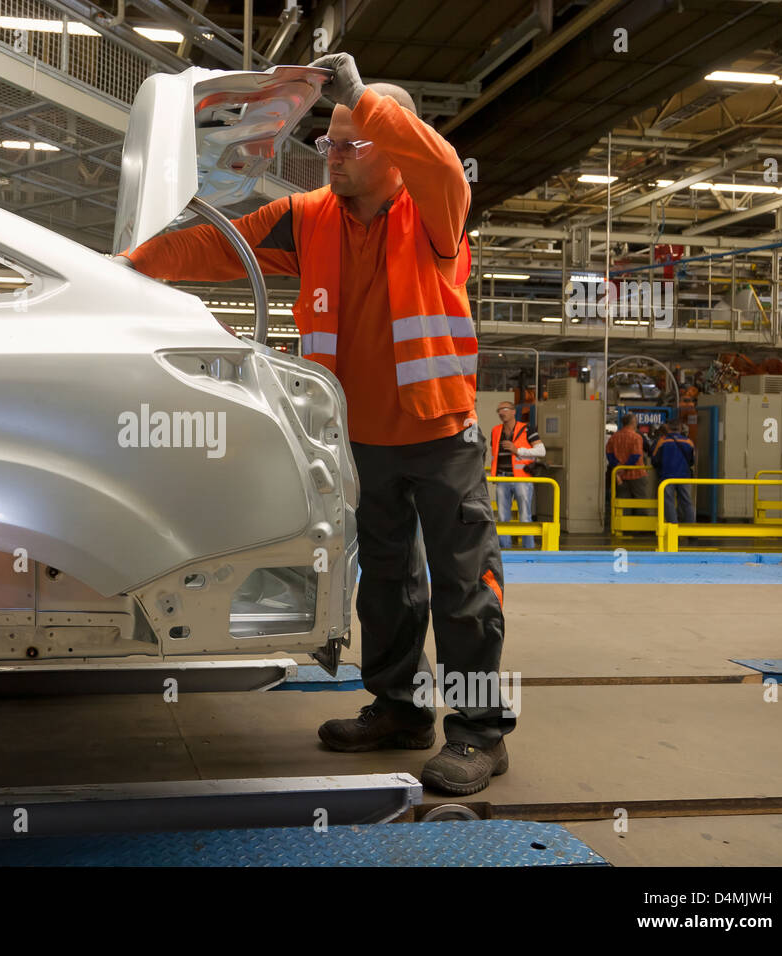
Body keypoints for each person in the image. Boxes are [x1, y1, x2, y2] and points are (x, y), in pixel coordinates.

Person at [118, 53, 513, 795]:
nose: (330, 156)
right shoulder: (309, 221)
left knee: (466, 589)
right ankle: (400, 709)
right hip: (361, 445)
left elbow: (443, 168)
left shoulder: (434, 213)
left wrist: (364, 97)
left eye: (348, 143)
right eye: (326, 143)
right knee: (385, 587)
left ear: (392, 148)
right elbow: (213, 245)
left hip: (440, 436)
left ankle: (481, 733)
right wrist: (128, 264)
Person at [490, 401, 545, 549]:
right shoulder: (495, 431)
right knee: (502, 517)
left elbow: (541, 451)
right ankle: (505, 549)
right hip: (502, 477)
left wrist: (518, 450)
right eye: (499, 410)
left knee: (525, 516)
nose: (502, 412)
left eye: (505, 409)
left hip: (522, 478)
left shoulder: (527, 429)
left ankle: (529, 549)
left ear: (514, 412)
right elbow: (494, 454)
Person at [650, 423, 696, 523]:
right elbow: (692, 460)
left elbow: (654, 460)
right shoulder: (688, 442)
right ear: (680, 429)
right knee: (686, 502)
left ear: (669, 429)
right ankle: (691, 529)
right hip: (684, 476)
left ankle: (673, 528)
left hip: (667, 477)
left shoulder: (662, 441)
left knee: (668, 501)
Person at [606, 413, 648, 508]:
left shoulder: (614, 437)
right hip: (637, 474)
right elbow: (636, 455)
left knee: (623, 504)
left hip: (619, 477)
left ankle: (624, 522)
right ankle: (640, 522)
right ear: (633, 423)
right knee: (640, 504)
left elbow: (609, 454)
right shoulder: (636, 437)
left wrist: (618, 468)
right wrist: (625, 468)